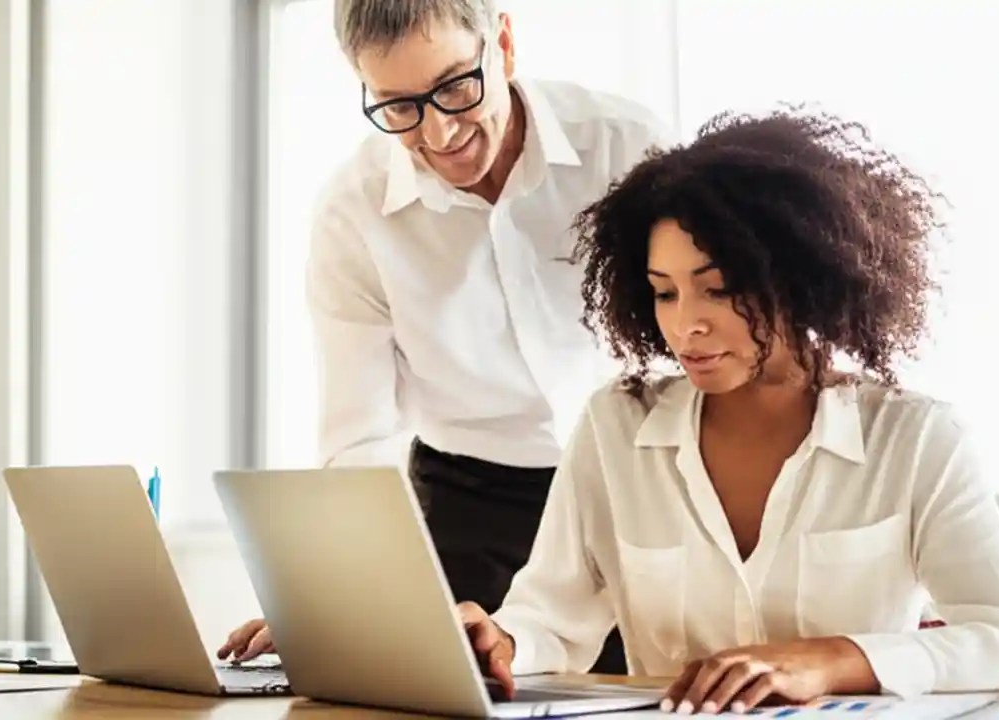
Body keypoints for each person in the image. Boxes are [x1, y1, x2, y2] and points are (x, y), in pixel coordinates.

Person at [457, 108, 999, 711]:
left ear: (801, 277)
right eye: (664, 291)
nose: (685, 324)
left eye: (718, 288)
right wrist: (503, 641)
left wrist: (831, 660)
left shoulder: (915, 439)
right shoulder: (615, 428)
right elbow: (552, 619)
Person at [215, 0, 671, 673]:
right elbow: (358, 436)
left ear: (504, 45)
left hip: (639, 490)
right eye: (398, 106)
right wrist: (329, 597)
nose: (439, 131)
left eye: (457, 86)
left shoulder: (625, 148)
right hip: (470, 508)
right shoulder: (355, 210)